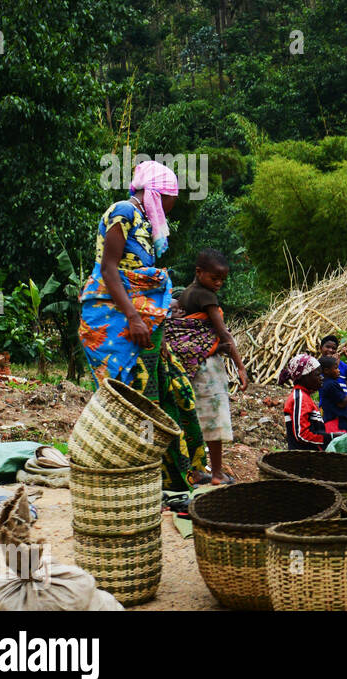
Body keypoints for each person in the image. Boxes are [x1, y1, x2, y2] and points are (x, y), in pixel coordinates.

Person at [77, 160, 208, 490]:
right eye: (171, 196)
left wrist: (164, 307)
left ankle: (185, 470)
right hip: (113, 322)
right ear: (157, 194)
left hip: (142, 322)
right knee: (136, 400)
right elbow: (109, 270)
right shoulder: (123, 212)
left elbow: (139, 280)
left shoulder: (146, 224)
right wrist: (135, 317)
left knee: (177, 392)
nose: (174, 204)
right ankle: (138, 478)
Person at [164, 249, 249, 485]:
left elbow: (190, 332)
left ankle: (196, 470)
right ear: (199, 272)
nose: (219, 283)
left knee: (191, 419)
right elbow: (224, 335)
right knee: (213, 420)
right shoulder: (207, 296)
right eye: (215, 278)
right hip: (205, 368)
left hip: (186, 366)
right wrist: (240, 367)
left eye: (222, 279)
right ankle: (218, 474)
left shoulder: (186, 295)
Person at [282, 354, 338, 451]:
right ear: (304, 377)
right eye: (317, 374)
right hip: (303, 458)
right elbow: (301, 434)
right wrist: (330, 437)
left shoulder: (304, 397)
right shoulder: (300, 397)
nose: (321, 378)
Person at [318, 355, 347, 433]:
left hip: (335, 424)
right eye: (336, 368)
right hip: (337, 425)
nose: (339, 370)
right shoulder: (330, 384)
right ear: (326, 370)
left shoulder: (327, 383)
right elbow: (342, 403)